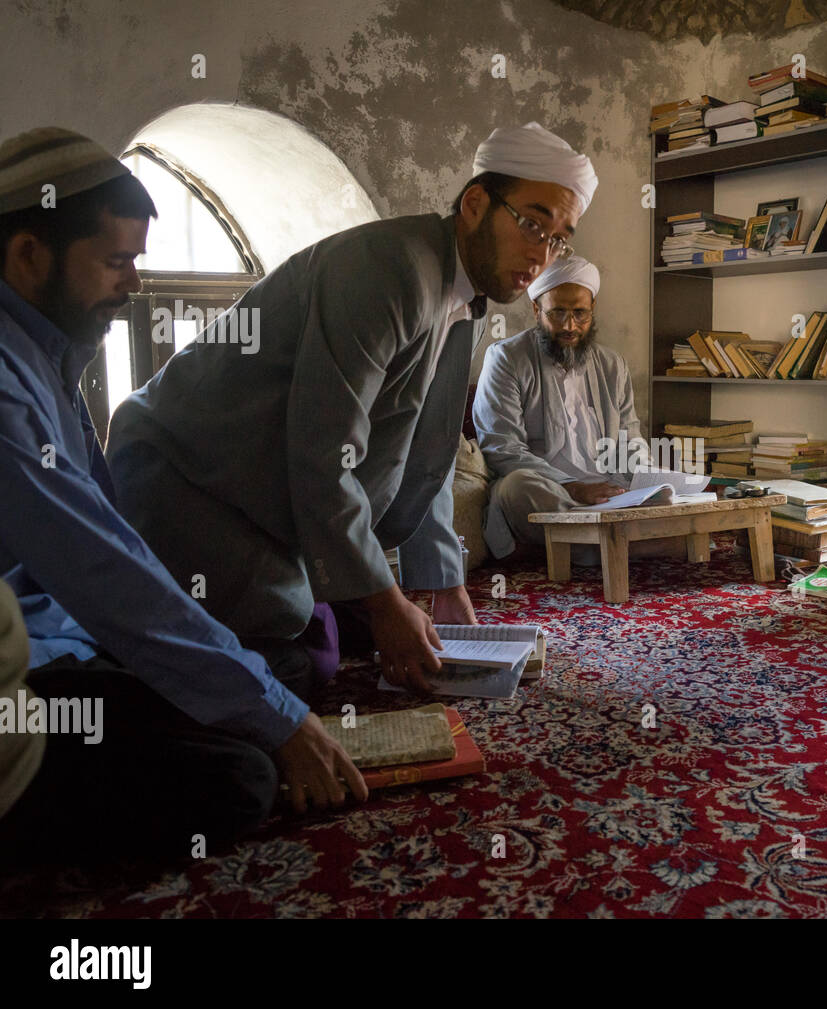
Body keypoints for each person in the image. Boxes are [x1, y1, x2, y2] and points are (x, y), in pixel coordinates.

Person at [107, 123, 597, 695]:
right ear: (475, 203)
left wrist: (441, 582)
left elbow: (425, 452)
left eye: (558, 238)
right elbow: (321, 455)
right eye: (533, 223)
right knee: (307, 664)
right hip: (190, 484)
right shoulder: (390, 272)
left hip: (269, 501)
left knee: (365, 629)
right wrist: (386, 603)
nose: (542, 253)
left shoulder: (458, 294)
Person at [0, 128, 362, 859]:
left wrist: (261, 696)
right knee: (239, 776)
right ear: (29, 255)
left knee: (284, 666)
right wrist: (274, 719)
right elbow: (101, 571)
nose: (133, 283)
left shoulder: (45, 352)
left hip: (67, 635)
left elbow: (112, 547)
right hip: (21, 681)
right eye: (116, 261)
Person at [473, 255, 649, 558]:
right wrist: (574, 488)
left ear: (592, 309)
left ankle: (591, 547)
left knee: (666, 484)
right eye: (557, 313)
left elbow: (629, 437)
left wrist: (649, 478)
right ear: (536, 309)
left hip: (608, 491)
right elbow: (502, 448)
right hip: (551, 490)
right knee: (515, 488)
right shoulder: (506, 359)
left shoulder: (612, 364)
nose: (570, 326)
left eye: (580, 313)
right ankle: (621, 548)